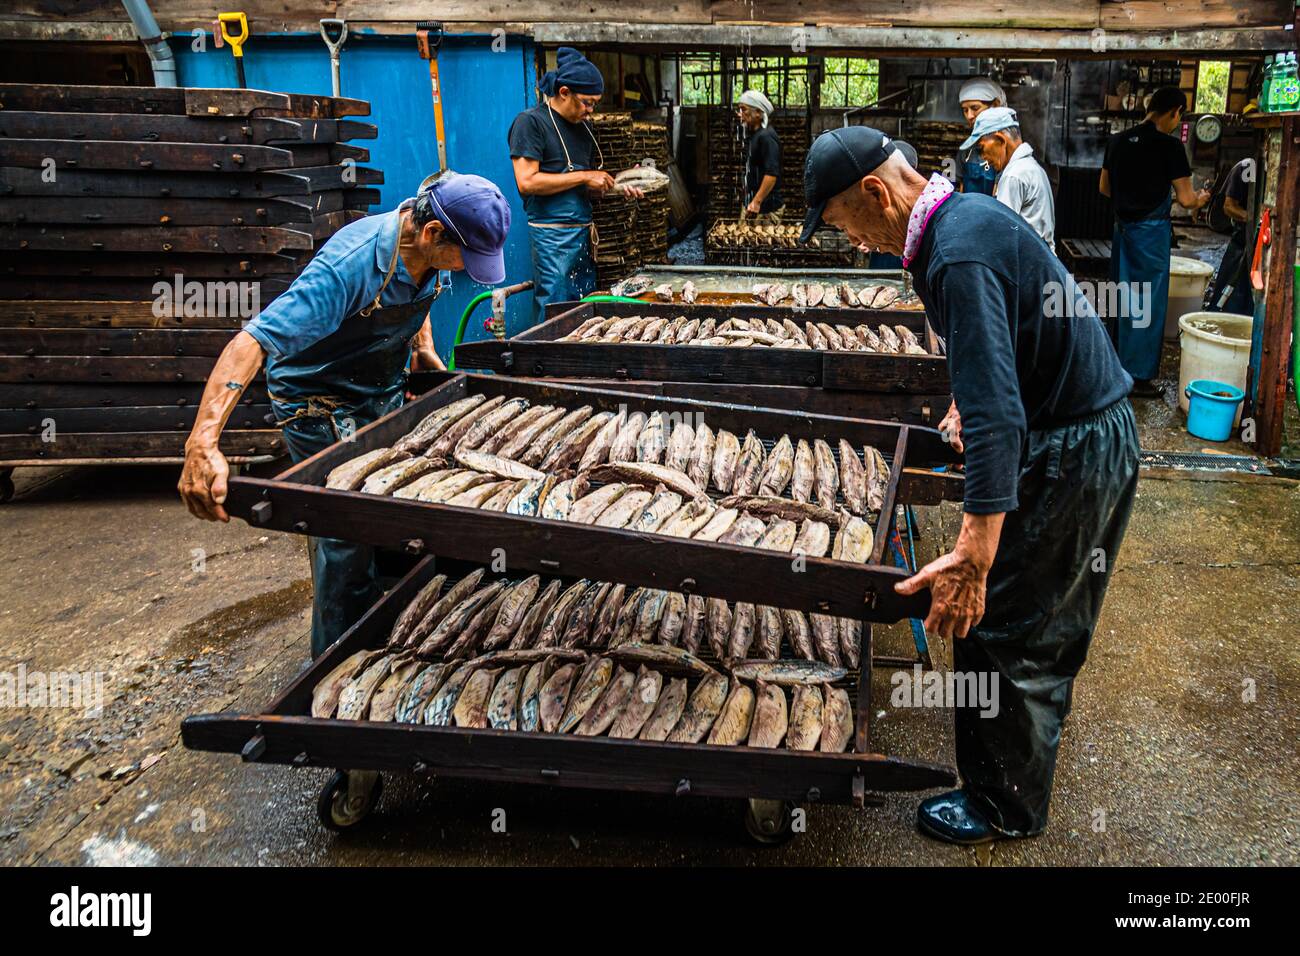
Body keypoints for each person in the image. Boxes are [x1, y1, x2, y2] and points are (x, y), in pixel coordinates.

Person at [801, 126, 1139, 844]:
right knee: (1037, 622)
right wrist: (969, 393)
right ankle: (1027, 746)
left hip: (1074, 445)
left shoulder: (954, 251)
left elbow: (998, 417)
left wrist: (973, 553)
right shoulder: (965, 219)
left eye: (843, 225)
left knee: (1002, 627)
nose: (851, 243)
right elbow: (1007, 343)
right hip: (1079, 424)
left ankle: (1002, 807)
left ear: (875, 193)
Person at [178, 172, 511, 657]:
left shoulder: (424, 239)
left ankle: (387, 636)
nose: (465, 269)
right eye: (465, 257)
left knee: (393, 509)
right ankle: (334, 665)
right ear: (432, 234)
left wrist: (421, 349)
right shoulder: (350, 266)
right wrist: (202, 445)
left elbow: (421, 290)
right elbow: (250, 344)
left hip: (378, 388)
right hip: (319, 400)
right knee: (347, 530)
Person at [508, 47, 640, 325]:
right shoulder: (531, 123)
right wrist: (584, 176)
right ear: (564, 92)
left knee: (583, 310)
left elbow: (583, 189)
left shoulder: (583, 129)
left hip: (582, 235)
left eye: (595, 104)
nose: (591, 111)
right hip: (551, 239)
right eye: (587, 103)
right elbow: (526, 181)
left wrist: (616, 185)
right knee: (555, 309)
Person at [1100, 87, 1211, 394]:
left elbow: (1104, 188)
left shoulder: (1118, 141)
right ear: (1175, 111)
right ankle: (1138, 377)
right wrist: (1201, 199)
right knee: (1146, 302)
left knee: (1120, 298)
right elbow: (1187, 200)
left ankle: (1115, 368)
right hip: (1150, 235)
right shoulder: (1170, 147)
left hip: (1123, 231)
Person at [961, 106, 1055, 252]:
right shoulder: (1030, 167)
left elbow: (1001, 234)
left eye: (981, 148)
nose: (982, 157)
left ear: (1000, 140)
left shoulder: (1014, 175)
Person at [1205, 157, 1254, 316]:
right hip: (1241, 242)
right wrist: (1253, 218)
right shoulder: (1247, 167)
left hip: (1260, 245)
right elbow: (1229, 206)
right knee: (1228, 295)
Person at [736, 89, 784, 221]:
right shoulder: (755, 135)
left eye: (744, 110)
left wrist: (757, 201)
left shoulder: (767, 137)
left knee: (761, 241)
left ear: (758, 112)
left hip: (765, 209)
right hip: (753, 205)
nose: (740, 114)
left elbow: (771, 174)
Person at [956, 77, 1005, 196]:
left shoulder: (1004, 150)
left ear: (995, 105)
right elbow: (960, 191)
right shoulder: (966, 151)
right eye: (965, 110)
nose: (969, 116)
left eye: (975, 108)